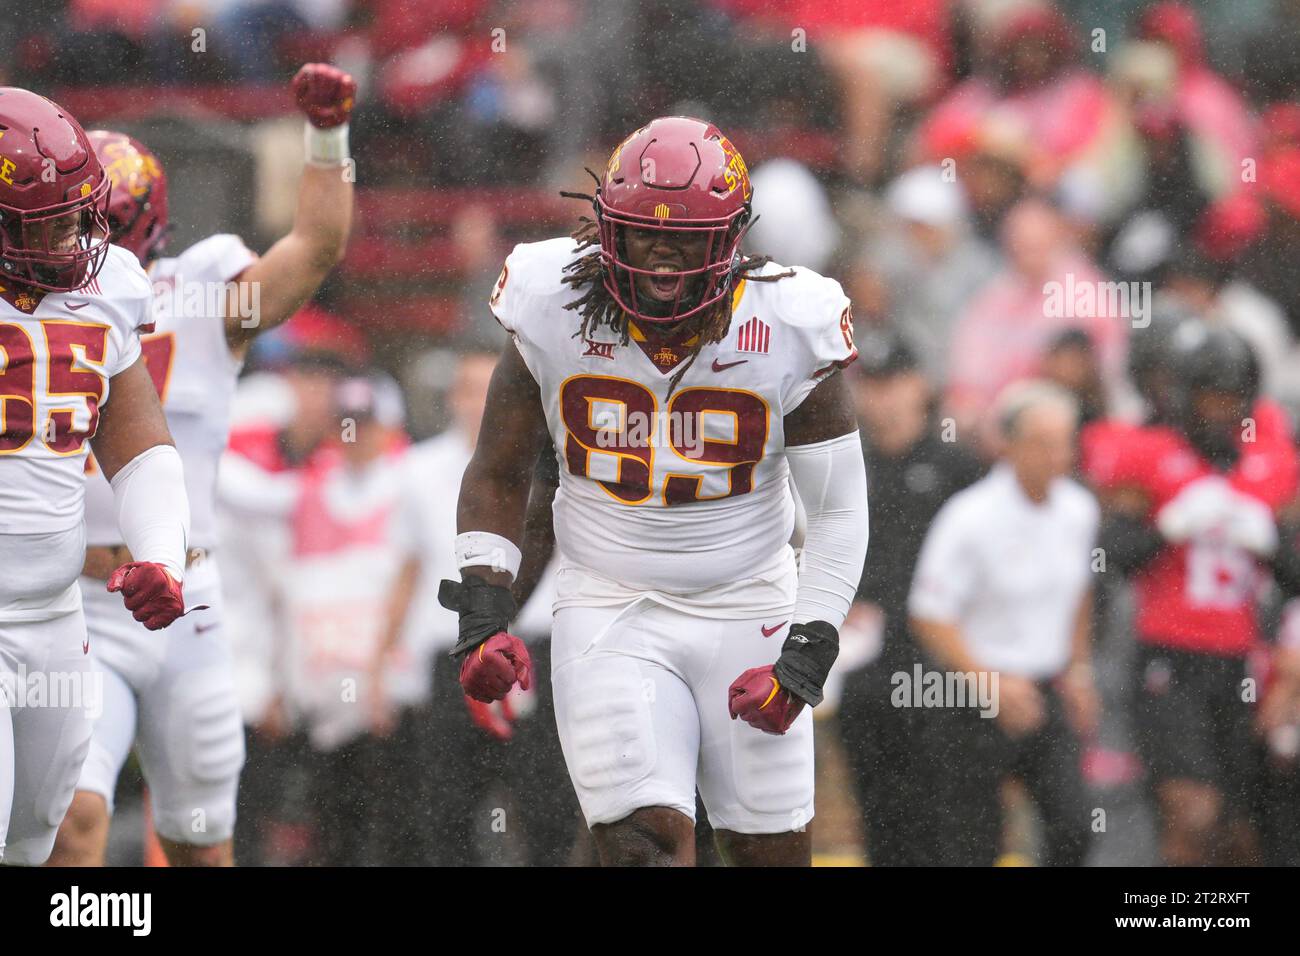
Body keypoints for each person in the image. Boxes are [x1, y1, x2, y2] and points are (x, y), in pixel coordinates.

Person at [439, 116, 868, 866]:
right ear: (607, 229)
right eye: (643, 235)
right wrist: (484, 608)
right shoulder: (550, 300)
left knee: (769, 855)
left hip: (750, 600)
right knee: (640, 845)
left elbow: (837, 509)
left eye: (684, 239)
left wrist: (807, 649)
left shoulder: (790, 319)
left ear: (730, 240)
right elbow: (503, 469)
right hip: (610, 602)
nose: (662, 259)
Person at [47, 63, 356, 868]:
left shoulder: (205, 296)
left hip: (187, 603)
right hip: (76, 603)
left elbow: (316, 247)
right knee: (71, 818)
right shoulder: (30, 314)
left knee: (198, 844)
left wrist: (327, 140)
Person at [0, 86, 191, 866]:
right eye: (42, 219)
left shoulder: (109, 285)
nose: (69, 237)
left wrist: (161, 554)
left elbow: (140, 442)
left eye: (77, 213)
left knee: (37, 837)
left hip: (52, 619)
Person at [1083, 325, 1299, 865]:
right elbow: (1105, 559)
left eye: (1230, 397)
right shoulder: (1151, 454)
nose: (1220, 409)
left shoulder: (1270, 462)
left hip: (1242, 662)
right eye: (1210, 395)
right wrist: (1166, 526)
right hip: (1168, 656)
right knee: (1191, 810)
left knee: (1236, 827)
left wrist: (1271, 541)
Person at [370, 350, 577, 865]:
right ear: (452, 397)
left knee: (548, 804)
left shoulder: (555, 463)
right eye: (469, 389)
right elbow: (407, 570)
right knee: (445, 806)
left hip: (537, 649)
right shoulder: (415, 470)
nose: (481, 403)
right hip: (453, 650)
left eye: (492, 388)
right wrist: (376, 664)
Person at [909, 380, 1101, 866]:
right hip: (974, 694)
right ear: (1009, 444)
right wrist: (988, 684)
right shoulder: (969, 517)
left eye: (1064, 441)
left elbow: (1081, 592)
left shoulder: (1079, 510)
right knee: (973, 841)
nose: (1057, 455)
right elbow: (930, 614)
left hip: (1045, 686)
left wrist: (1078, 669)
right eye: (1042, 442)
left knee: (1074, 823)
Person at [835, 334, 983, 865]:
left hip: (942, 664)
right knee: (880, 816)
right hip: (867, 666)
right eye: (871, 385)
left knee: (945, 815)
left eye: (893, 382)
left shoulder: (957, 468)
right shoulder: (848, 465)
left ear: (920, 384)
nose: (883, 398)